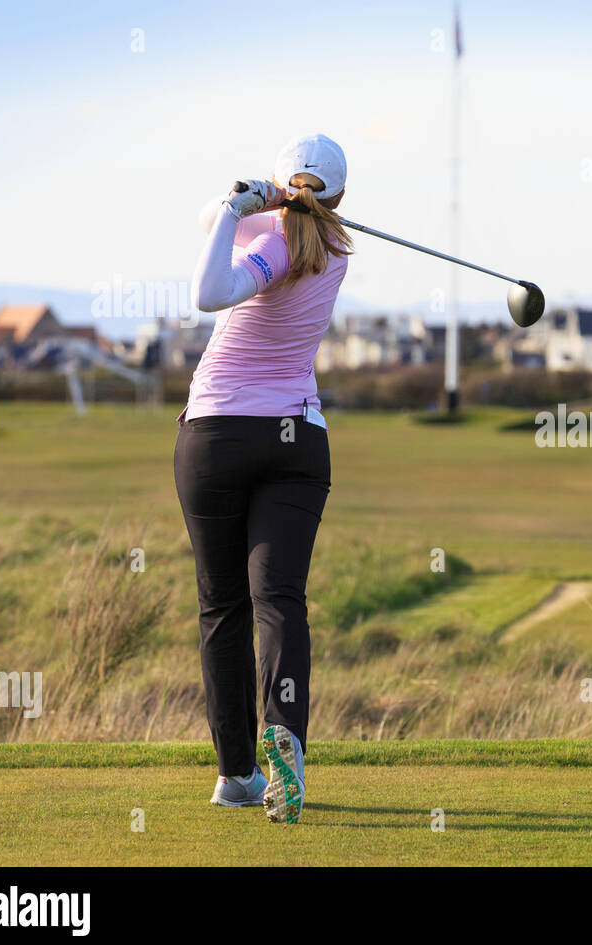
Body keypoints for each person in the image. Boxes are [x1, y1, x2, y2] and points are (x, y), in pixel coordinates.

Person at [175, 134, 352, 823]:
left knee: (223, 607)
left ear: (283, 188)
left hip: (216, 435)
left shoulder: (273, 243)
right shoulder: (335, 249)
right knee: (278, 598)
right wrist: (247, 203)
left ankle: (236, 774)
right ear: (341, 198)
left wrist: (236, 205)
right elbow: (213, 219)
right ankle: (286, 732)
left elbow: (208, 291)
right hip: (295, 440)